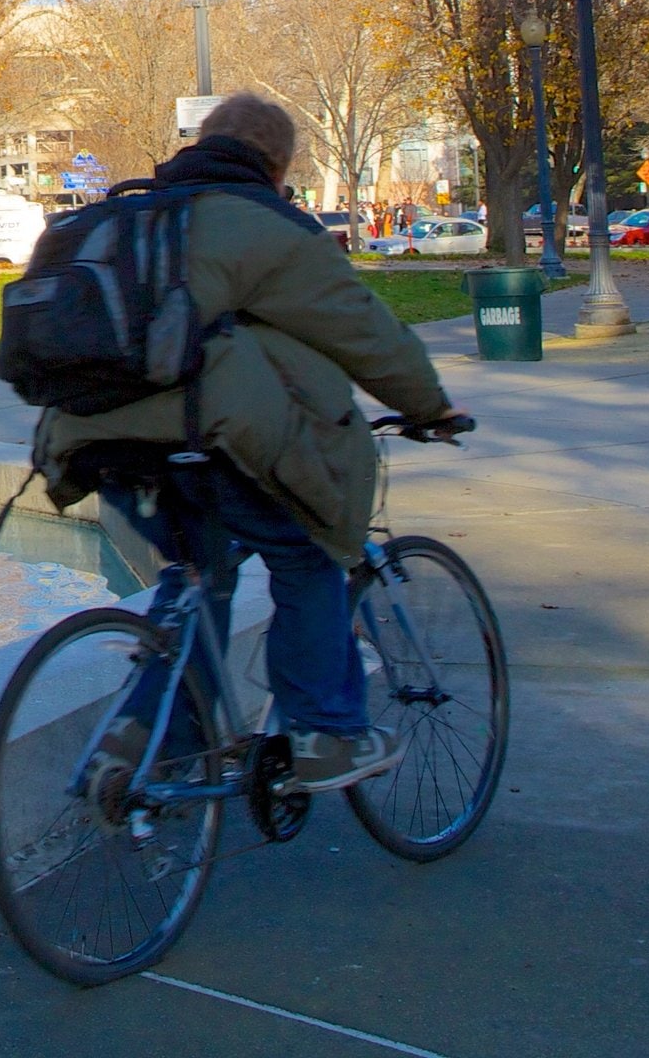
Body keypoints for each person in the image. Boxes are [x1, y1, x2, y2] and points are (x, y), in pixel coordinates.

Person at [30, 93, 466, 792]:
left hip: (91, 439)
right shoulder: (267, 226)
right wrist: (430, 407)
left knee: (199, 575)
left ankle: (137, 743)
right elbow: (361, 328)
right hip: (201, 438)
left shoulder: (131, 214)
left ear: (201, 145)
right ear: (277, 165)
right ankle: (324, 731)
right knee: (311, 549)